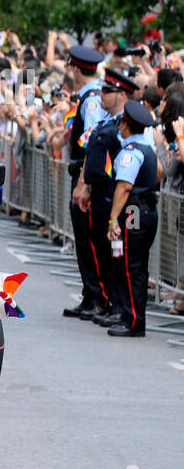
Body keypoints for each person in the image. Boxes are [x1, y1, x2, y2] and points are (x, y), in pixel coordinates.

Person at [74, 67, 134, 325]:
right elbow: (91, 153)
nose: (102, 95)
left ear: (121, 95)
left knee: (112, 254)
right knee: (98, 248)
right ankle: (101, 299)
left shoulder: (128, 126)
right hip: (97, 192)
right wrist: (85, 185)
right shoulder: (107, 122)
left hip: (112, 196)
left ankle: (110, 302)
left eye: (108, 91)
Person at [62, 44, 111, 320]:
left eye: (71, 66)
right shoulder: (89, 96)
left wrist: (84, 183)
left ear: (76, 68)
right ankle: (90, 294)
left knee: (90, 239)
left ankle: (98, 296)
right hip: (83, 172)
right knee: (83, 239)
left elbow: (92, 142)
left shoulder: (91, 100)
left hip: (86, 174)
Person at [105, 98, 161, 337]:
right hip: (146, 209)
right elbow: (160, 172)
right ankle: (134, 318)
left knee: (130, 266)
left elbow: (124, 187)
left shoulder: (131, 152)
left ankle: (132, 321)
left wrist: (112, 219)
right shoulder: (147, 148)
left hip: (134, 211)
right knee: (137, 267)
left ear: (126, 125)